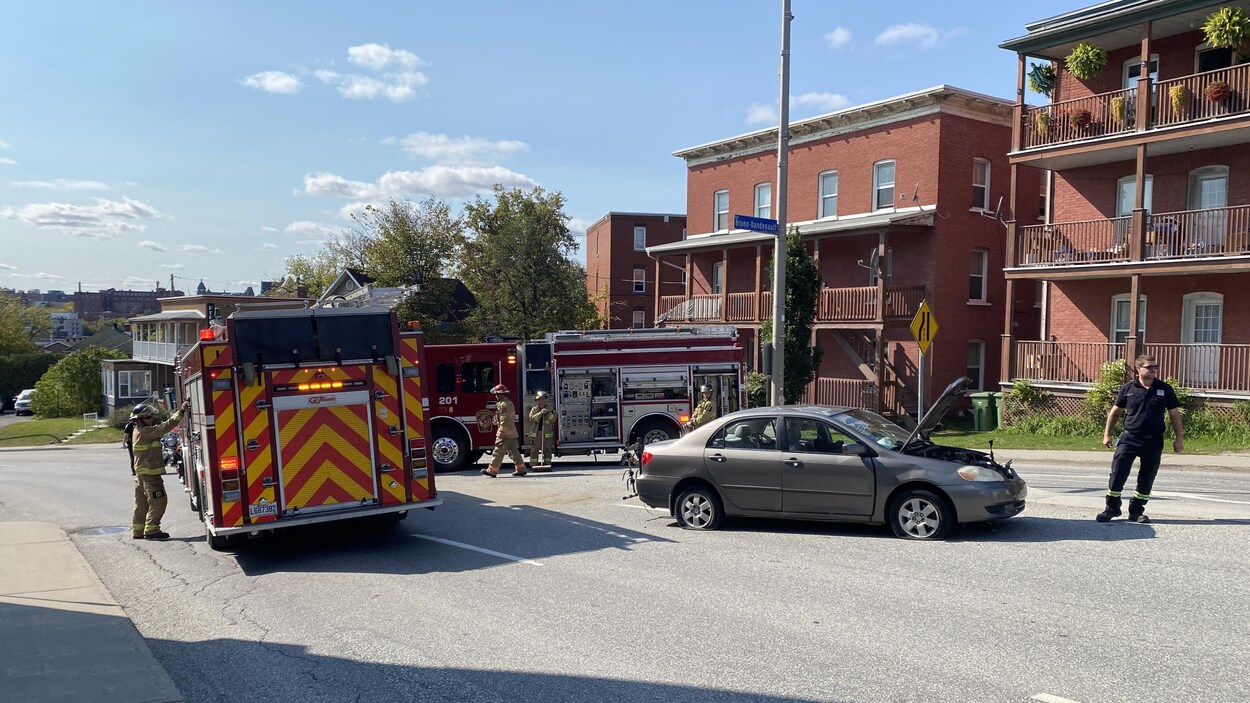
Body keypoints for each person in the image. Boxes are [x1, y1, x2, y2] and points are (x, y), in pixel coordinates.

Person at [1099, 354, 1184, 524]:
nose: (1153, 370)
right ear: (1139, 368)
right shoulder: (1128, 389)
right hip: (1130, 438)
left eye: (1155, 367)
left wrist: (1179, 438)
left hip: (1153, 440)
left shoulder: (1164, 389)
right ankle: (1112, 508)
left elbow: (1174, 415)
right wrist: (1107, 434)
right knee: (1118, 473)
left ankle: (1137, 511)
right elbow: (1115, 412)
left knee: (1147, 476)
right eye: (1149, 367)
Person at [130, 401, 189, 540]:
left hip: (142, 474)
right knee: (159, 500)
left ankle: (138, 531)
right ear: (139, 419)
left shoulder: (138, 431)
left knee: (142, 504)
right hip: (150, 475)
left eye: (151, 417)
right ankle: (152, 530)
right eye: (148, 417)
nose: (151, 419)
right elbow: (163, 427)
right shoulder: (145, 432)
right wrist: (181, 412)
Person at [482, 384, 531, 478]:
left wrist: (501, 432)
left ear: (501, 394)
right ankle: (521, 470)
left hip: (505, 434)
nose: (496, 396)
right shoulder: (508, 403)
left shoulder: (504, 405)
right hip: (512, 434)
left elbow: (505, 420)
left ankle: (492, 471)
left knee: (498, 452)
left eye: (497, 394)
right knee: (514, 452)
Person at [527, 391, 554, 471]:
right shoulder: (534, 409)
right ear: (538, 400)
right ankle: (533, 464)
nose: (543, 400)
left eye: (544, 398)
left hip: (547, 433)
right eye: (541, 399)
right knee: (534, 449)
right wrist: (540, 414)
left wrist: (547, 414)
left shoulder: (550, 408)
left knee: (547, 449)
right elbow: (531, 418)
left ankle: (547, 464)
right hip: (536, 433)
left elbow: (553, 419)